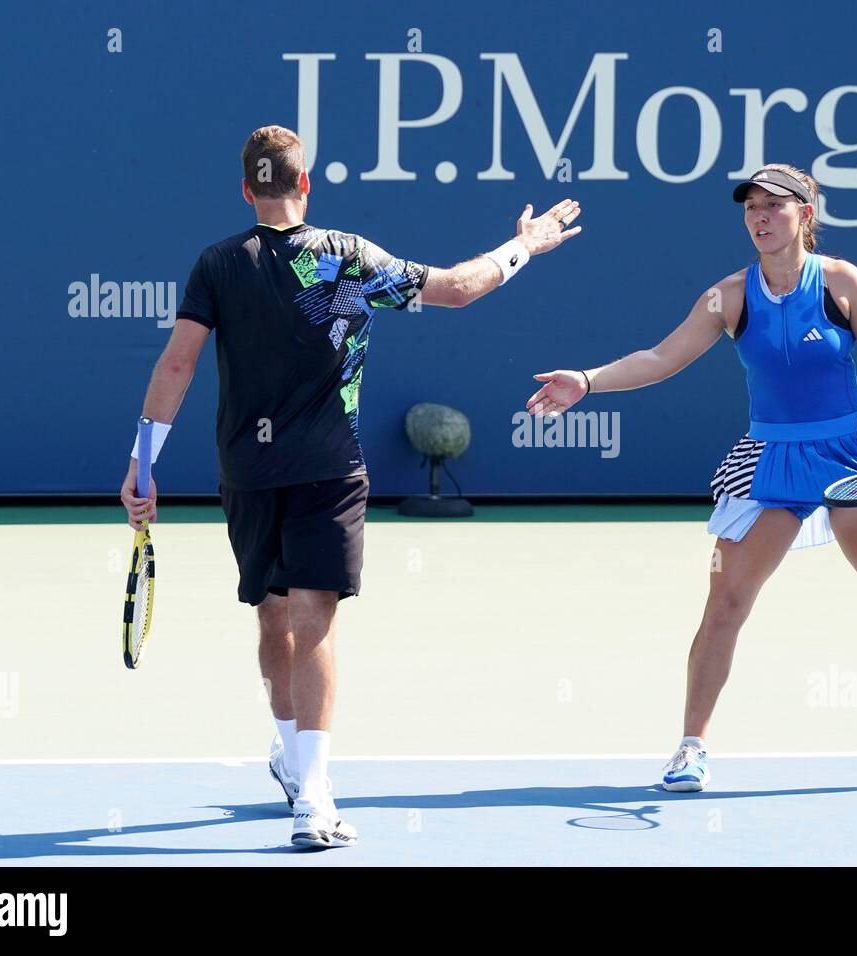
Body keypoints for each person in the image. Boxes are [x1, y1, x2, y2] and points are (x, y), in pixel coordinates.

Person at [119, 125, 582, 848]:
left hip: (248, 471)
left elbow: (176, 366)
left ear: (247, 189)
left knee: (281, 618)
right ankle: (305, 779)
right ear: (305, 185)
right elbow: (460, 289)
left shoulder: (216, 263)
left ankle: (308, 782)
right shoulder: (348, 256)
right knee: (309, 621)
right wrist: (529, 243)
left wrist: (142, 464)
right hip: (327, 467)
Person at [525, 164, 857, 792]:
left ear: (806, 215)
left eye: (775, 206)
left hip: (851, 453)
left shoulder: (842, 282)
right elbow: (662, 357)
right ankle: (691, 747)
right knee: (725, 604)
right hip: (772, 459)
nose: (759, 217)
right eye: (751, 206)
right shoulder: (727, 296)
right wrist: (588, 381)